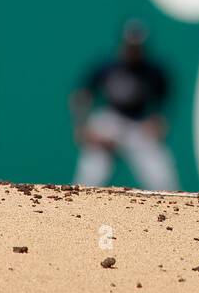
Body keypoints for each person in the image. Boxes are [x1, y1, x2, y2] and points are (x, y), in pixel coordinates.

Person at [70, 19, 178, 191]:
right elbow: (81, 96)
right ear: (123, 43)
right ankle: (76, 199)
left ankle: (176, 209)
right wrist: (82, 126)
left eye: (137, 46)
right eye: (130, 45)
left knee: (162, 180)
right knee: (91, 172)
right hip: (111, 121)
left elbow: (164, 104)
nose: (133, 50)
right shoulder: (108, 67)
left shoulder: (153, 71)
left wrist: (158, 123)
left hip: (138, 124)